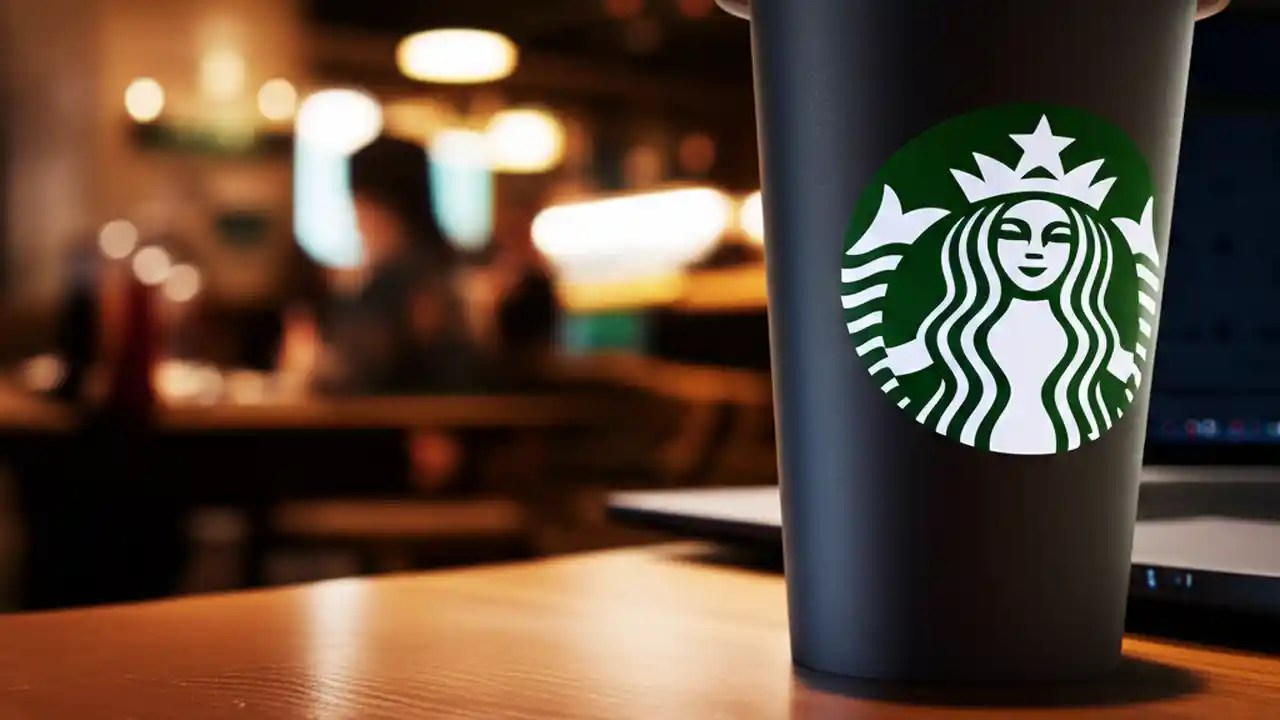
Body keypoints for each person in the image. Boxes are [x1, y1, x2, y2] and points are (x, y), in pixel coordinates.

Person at [306, 135, 479, 396]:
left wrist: (312, 364)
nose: (356, 221)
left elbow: (358, 374)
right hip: (443, 425)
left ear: (379, 206)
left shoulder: (400, 280)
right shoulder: (444, 271)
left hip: (399, 430)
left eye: (356, 203)